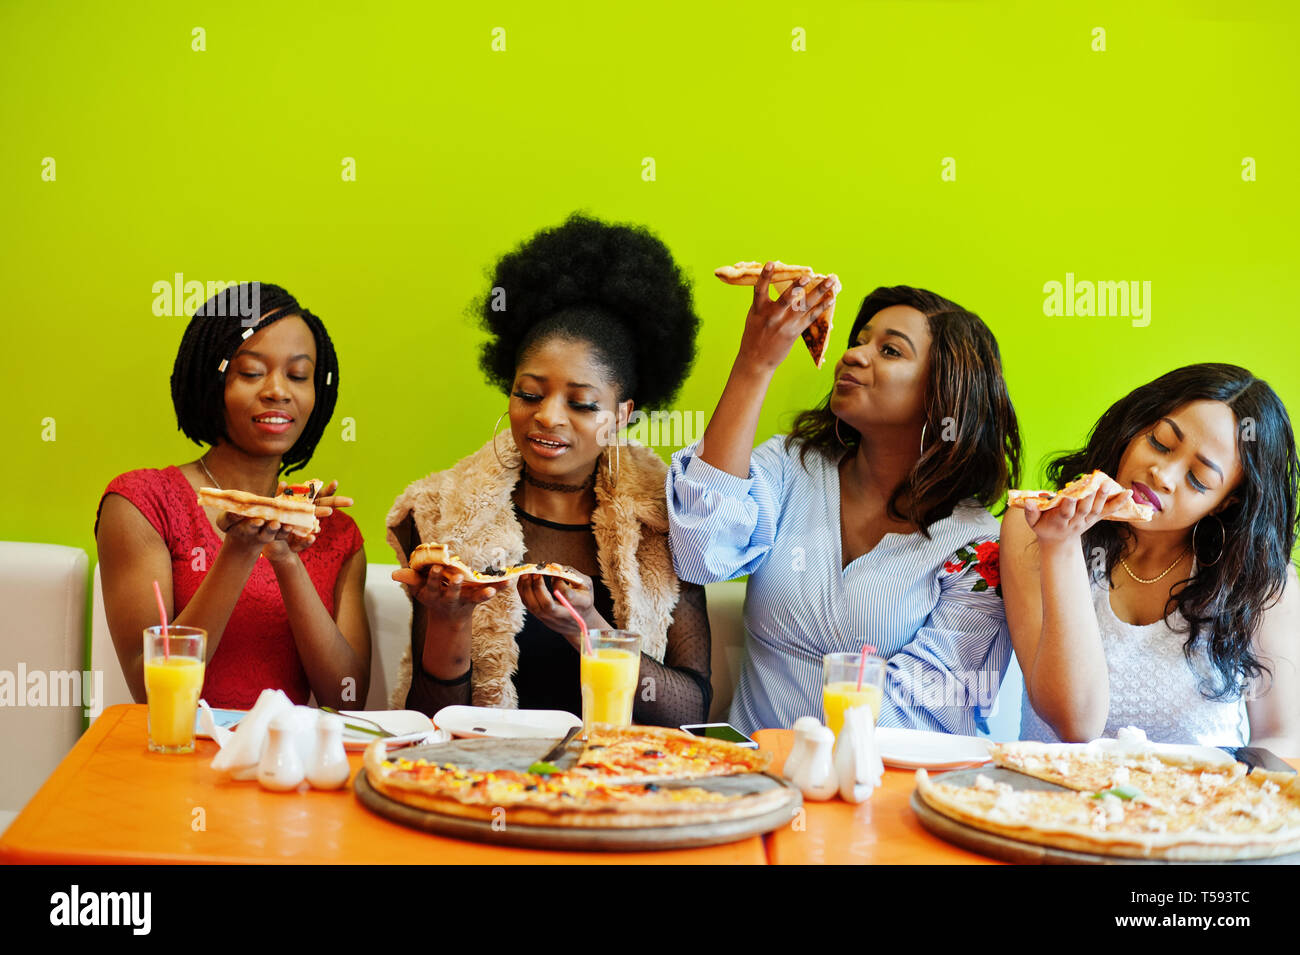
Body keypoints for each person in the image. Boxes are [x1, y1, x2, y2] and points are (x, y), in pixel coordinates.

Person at [386, 214, 712, 724]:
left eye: (581, 404)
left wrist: (586, 626)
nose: (548, 417)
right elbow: (432, 721)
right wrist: (449, 620)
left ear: (622, 415)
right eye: (529, 394)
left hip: (620, 783)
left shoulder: (667, 521)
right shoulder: (438, 514)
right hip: (486, 784)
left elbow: (688, 711)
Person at [668, 270, 1022, 736]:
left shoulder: (977, 548)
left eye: (889, 350)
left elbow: (931, 710)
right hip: (758, 786)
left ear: (945, 394)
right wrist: (754, 366)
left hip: (884, 790)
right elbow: (700, 554)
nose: (852, 355)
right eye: (859, 341)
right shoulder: (790, 467)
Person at [95, 283, 370, 710]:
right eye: (252, 372)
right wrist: (241, 550)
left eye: (298, 376)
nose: (278, 390)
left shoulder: (337, 535)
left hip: (284, 768)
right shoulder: (141, 504)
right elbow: (152, 690)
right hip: (176, 761)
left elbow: (347, 700)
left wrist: (285, 557)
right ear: (213, 380)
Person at [1002, 364, 1300, 750]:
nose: (1163, 475)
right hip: (1053, 798)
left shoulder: (1261, 581)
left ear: (1226, 502)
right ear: (1135, 427)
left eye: (1198, 480)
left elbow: (1282, 738)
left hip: (1200, 804)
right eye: (1160, 442)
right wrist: (1061, 545)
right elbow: (1074, 722)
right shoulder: (1035, 526)